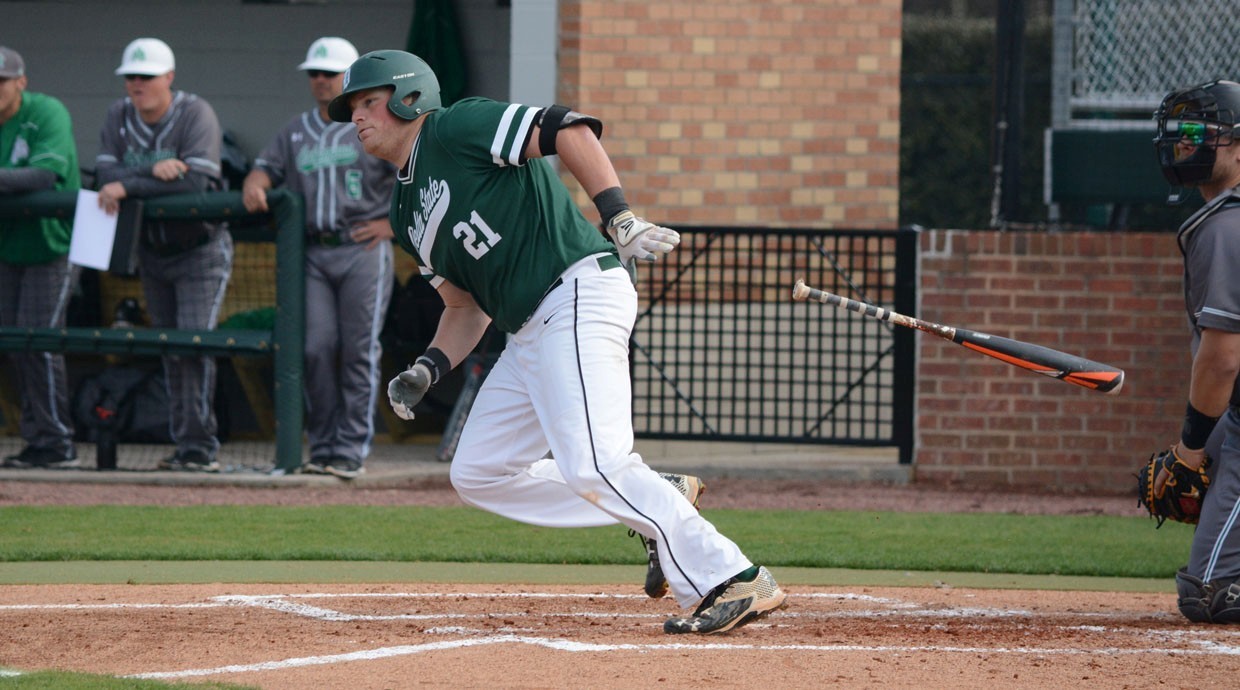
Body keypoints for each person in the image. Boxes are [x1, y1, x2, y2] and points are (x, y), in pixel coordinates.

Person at [328, 49, 787, 634]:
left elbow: (567, 127)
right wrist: (429, 367)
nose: (357, 116)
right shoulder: (403, 208)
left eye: (369, 101)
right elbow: (465, 308)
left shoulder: (454, 126)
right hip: (527, 329)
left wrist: (619, 216)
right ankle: (657, 497)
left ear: (408, 97)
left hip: (575, 292)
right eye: (353, 107)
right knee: (479, 471)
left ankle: (732, 576)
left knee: (597, 464)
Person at [242, 37, 396, 479]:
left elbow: (412, 174)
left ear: (348, 78)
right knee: (314, 348)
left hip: (362, 247)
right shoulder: (294, 130)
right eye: (315, 73)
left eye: (329, 73)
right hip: (312, 251)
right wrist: (254, 183)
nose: (321, 80)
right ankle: (324, 443)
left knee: (359, 351)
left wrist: (392, 224)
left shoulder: (372, 124)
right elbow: (264, 169)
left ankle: (350, 448)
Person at [95, 38, 231, 472]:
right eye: (131, 77)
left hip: (199, 251)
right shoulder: (118, 115)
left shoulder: (195, 113)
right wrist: (151, 172)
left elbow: (195, 182)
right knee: (170, 350)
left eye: (147, 76)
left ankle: (199, 448)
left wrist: (128, 182)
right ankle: (185, 444)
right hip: (152, 252)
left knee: (192, 346)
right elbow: (103, 175)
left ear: (168, 77)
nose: (137, 84)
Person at [1152, 79, 1240, 623]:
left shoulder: (1226, 227)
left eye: (1205, 132)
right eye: (1184, 132)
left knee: (1210, 594)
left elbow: (1223, 358)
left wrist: (1187, 450)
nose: (1187, 142)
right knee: (1217, 438)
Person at [0, 46, 81, 469]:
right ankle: (38, 438)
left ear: (21, 82)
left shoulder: (46, 111)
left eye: (2, 82)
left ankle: (57, 442)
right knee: (15, 345)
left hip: (54, 243)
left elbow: (44, 175)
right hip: (7, 247)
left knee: (40, 343)